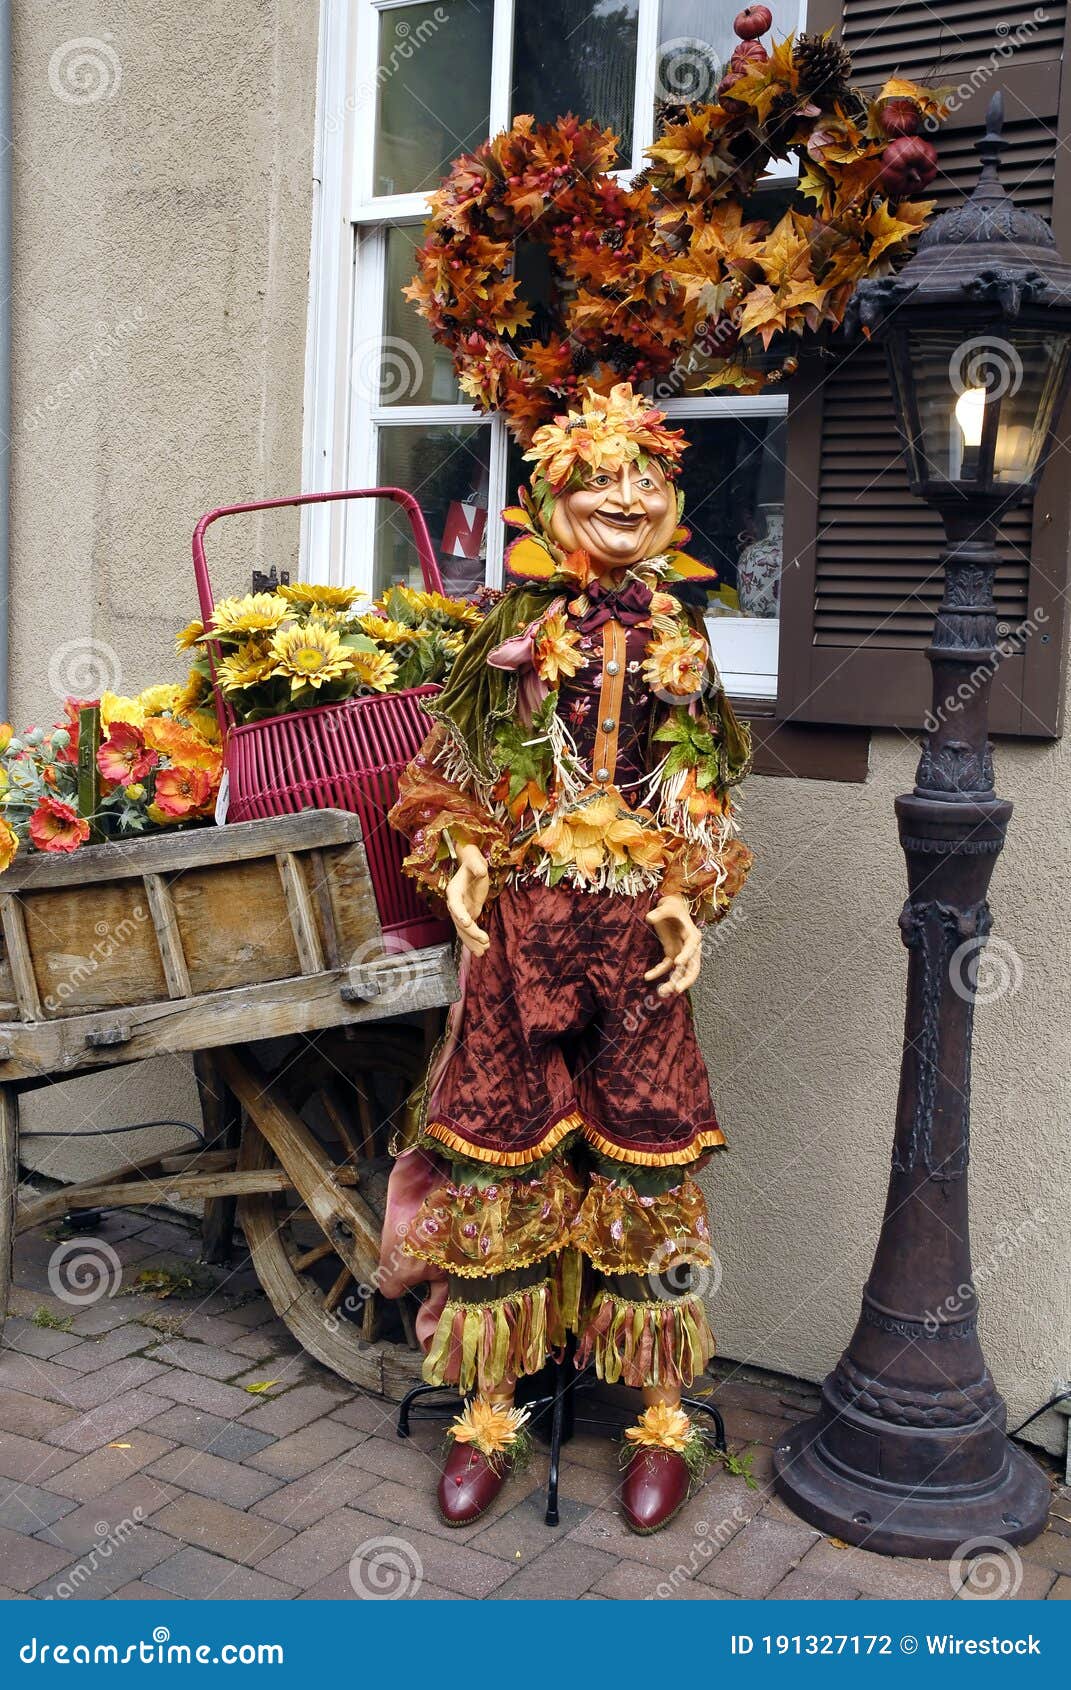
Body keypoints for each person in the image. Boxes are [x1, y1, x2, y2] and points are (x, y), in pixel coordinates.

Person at [380, 383, 753, 1533]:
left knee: (647, 1162)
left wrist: (687, 896)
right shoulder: (513, 625)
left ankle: (661, 1416)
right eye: (600, 479)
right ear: (554, 497)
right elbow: (450, 769)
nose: (625, 498)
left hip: (637, 939)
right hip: (524, 933)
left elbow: (702, 788)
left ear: (670, 498)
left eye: (645, 478)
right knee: (500, 1160)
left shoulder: (684, 634)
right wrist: (462, 859)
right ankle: (489, 1411)